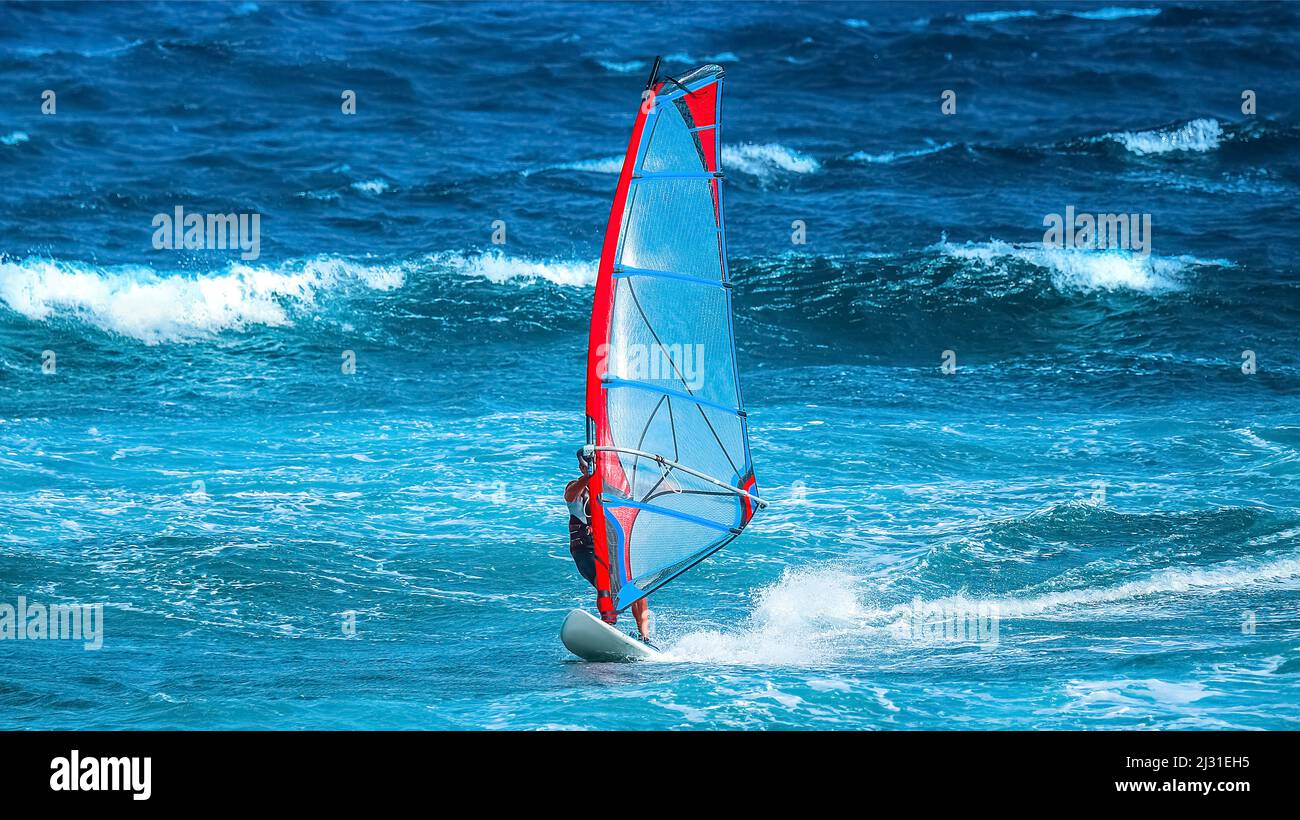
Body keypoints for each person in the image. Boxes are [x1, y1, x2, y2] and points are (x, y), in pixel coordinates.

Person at [566, 446, 652, 642]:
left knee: (635, 585)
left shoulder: (612, 491)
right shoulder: (576, 487)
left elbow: (633, 505)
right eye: (582, 465)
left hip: (610, 546)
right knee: (604, 584)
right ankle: (608, 624)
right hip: (585, 549)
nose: (584, 467)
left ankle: (645, 636)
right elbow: (570, 495)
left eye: (588, 465)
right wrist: (588, 477)